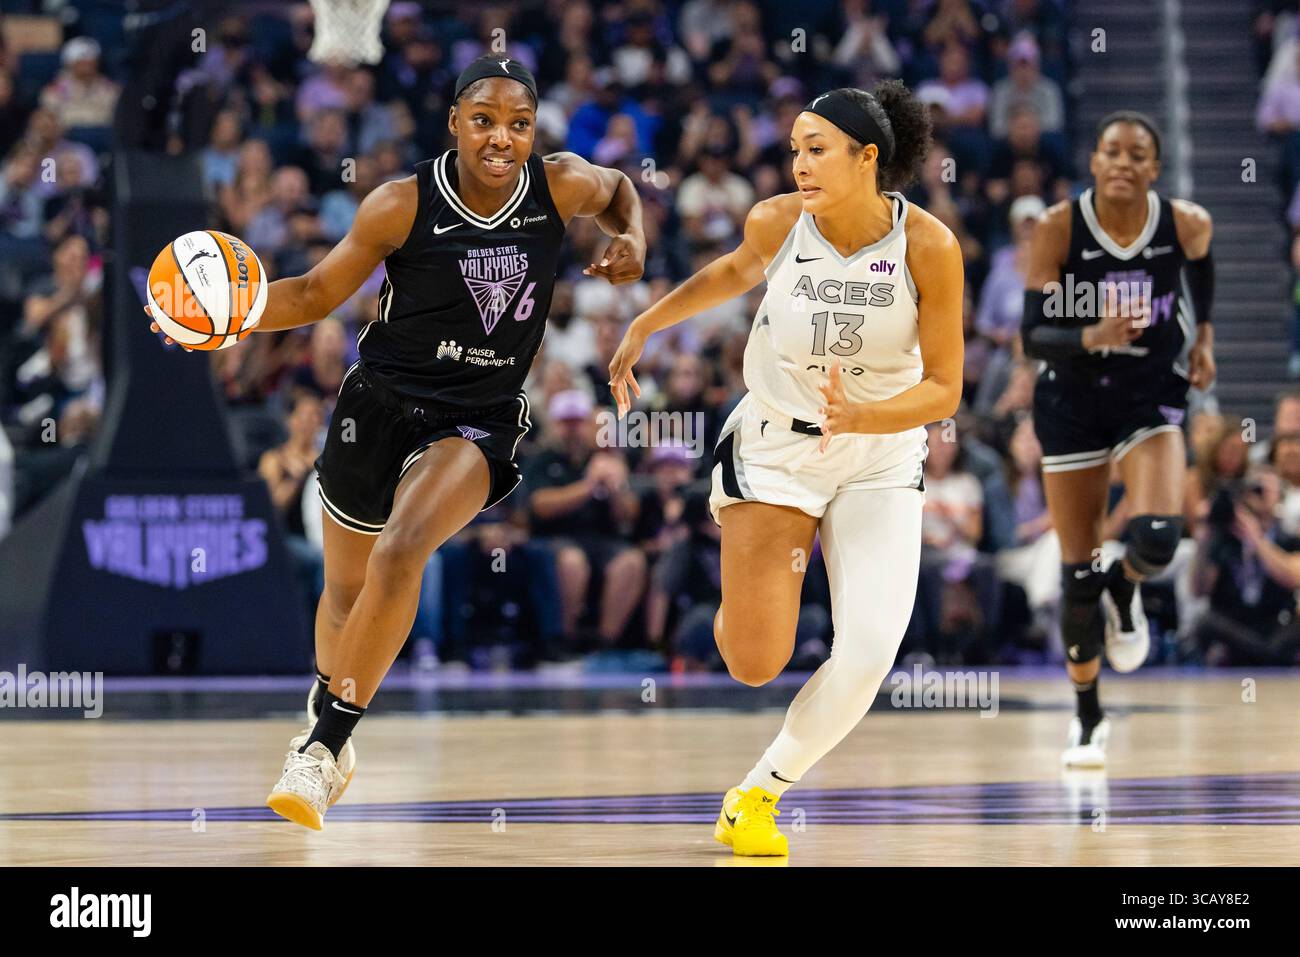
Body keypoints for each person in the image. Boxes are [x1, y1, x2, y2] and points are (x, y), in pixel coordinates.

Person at [152, 56, 646, 829]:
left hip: (477, 418)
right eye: (484, 119)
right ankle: (330, 711)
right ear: (454, 122)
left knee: (404, 546)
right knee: (346, 594)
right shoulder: (399, 203)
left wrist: (636, 238)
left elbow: (619, 191)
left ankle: (319, 749)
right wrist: (219, 314)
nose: (501, 138)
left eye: (518, 124)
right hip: (378, 404)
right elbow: (316, 293)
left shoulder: (559, 186)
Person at [609, 80, 963, 855]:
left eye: (817, 150)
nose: (799, 164)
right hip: (777, 446)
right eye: (795, 149)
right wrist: (646, 320)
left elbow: (945, 387)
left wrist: (865, 417)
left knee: (870, 649)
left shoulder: (929, 245)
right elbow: (732, 272)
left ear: (868, 158)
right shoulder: (778, 220)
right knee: (754, 661)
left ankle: (758, 794)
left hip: (879, 453)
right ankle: (743, 587)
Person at [1020, 110, 1215, 767]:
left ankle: (1127, 584)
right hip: (1071, 399)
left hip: (1147, 394)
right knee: (1077, 573)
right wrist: (1089, 336)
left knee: (1158, 536)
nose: (1125, 162)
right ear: (1095, 163)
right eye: (1113, 151)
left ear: (1155, 168)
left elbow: (1202, 274)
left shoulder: (1185, 223)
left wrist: (1206, 337)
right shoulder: (1057, 228)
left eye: (1139, 154)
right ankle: (1087, 718)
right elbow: (1032, 335)